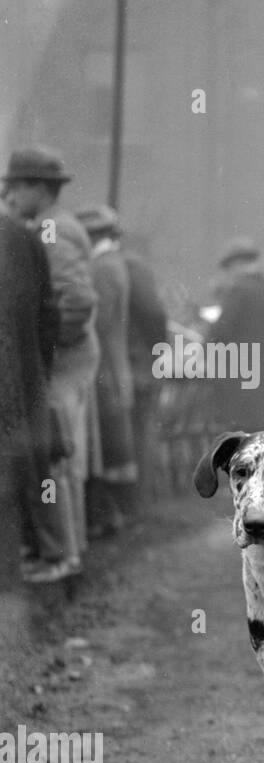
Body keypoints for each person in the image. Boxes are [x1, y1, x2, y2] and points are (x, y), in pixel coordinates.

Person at [2, 146, 98, 581]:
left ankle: (60, 557)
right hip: (67, 357)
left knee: (52, 457)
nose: (10, 196)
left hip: (63, 360)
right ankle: (69, 552)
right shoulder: (55, 226)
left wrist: (45, 348)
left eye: (15, 187)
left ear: (37, 187)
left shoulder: (49, 230)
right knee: (59, 457)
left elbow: (75, 300)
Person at [0, 206, 62, 587]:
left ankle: (41, 554)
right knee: (34, 467)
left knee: (31, 468)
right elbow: (48, 313)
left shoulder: (20, 236)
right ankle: (38, 554)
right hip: (26, 374)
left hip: (18, 376)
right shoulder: (24, 234)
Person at [77, 204, 137, 537]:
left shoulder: (101, 268)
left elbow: (98, 321)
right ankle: (112, 515)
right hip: (116, 366)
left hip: (103, 368)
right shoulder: (115, 264)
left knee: (102, 448)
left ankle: (106, 517)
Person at [206, 237, 264, 431]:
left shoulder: (239, 291)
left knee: (240, 434)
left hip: (240, 378)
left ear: (237, 264)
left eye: (229, 268)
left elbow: (220, 331)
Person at [122, 239, 169, 501]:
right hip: (139, 362)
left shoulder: (131, 267)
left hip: (137, 362)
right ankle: (141, 497)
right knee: (142, 428)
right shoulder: (134, 267)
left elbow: (153, 314)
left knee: (140, 429)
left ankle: (140, 498)